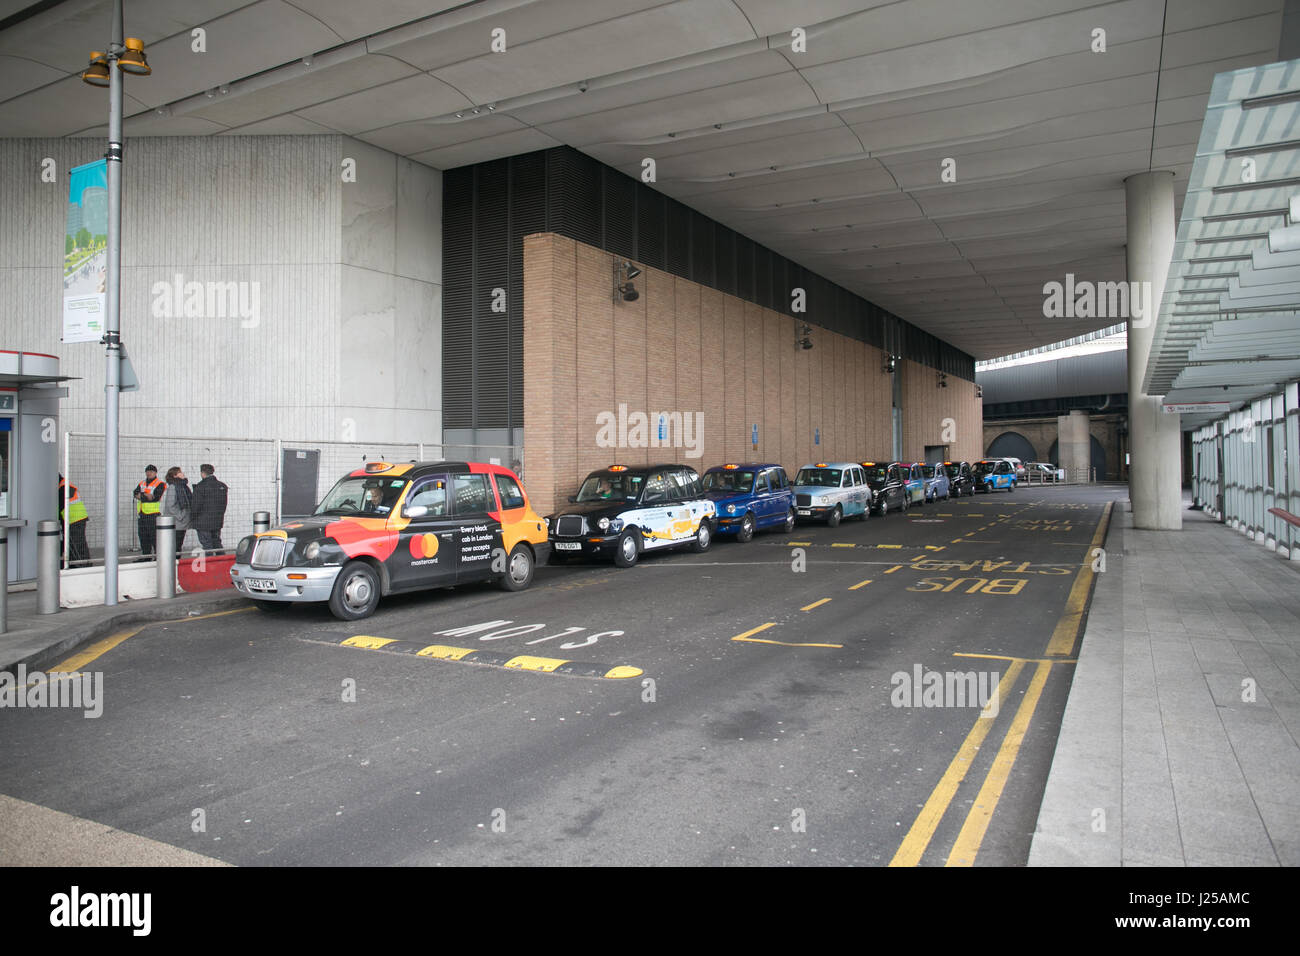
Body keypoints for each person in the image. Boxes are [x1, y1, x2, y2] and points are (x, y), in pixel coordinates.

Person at [190, 464, 229, 556]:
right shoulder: (222, 486)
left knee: (207, 545)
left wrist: (193, 518)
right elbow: (224, 504)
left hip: (203, 522)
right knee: (217, 542)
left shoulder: (200, 487)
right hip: (217, 520)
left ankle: (211, 565)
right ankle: (223, 562)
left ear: (202, 473)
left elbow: (196, 506)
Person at [58, 474, 90, 568]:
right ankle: (81, 563)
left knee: (77, 543)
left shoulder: (64, 487)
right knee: (77, 542)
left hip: (75, 519)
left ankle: (82, 564)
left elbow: (60, 505)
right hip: (76, 518)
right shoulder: (64, 485)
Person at [133, 464, 164, 556]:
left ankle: (157, 556)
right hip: (142, 514)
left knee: (154, 537)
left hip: (152, 514)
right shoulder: (142, 483)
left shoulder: (160, 484)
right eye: (147, 471)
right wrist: (146, 495)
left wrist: (141, 495)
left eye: (151, 471)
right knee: (143, 537)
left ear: (155, 473)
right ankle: (145, 556)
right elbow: (135, 493)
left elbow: (155, 497)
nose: (149, 473)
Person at [160, 466, 193, 553]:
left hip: (181, 522)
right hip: (177, 522)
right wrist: (181, 515)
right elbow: (170, 505)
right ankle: (174, 564)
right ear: (175, 475)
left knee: (178, 544)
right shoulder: (173, 487)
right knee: (176, 546)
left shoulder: (182, 486)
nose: (183, 473)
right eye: (180, 472)